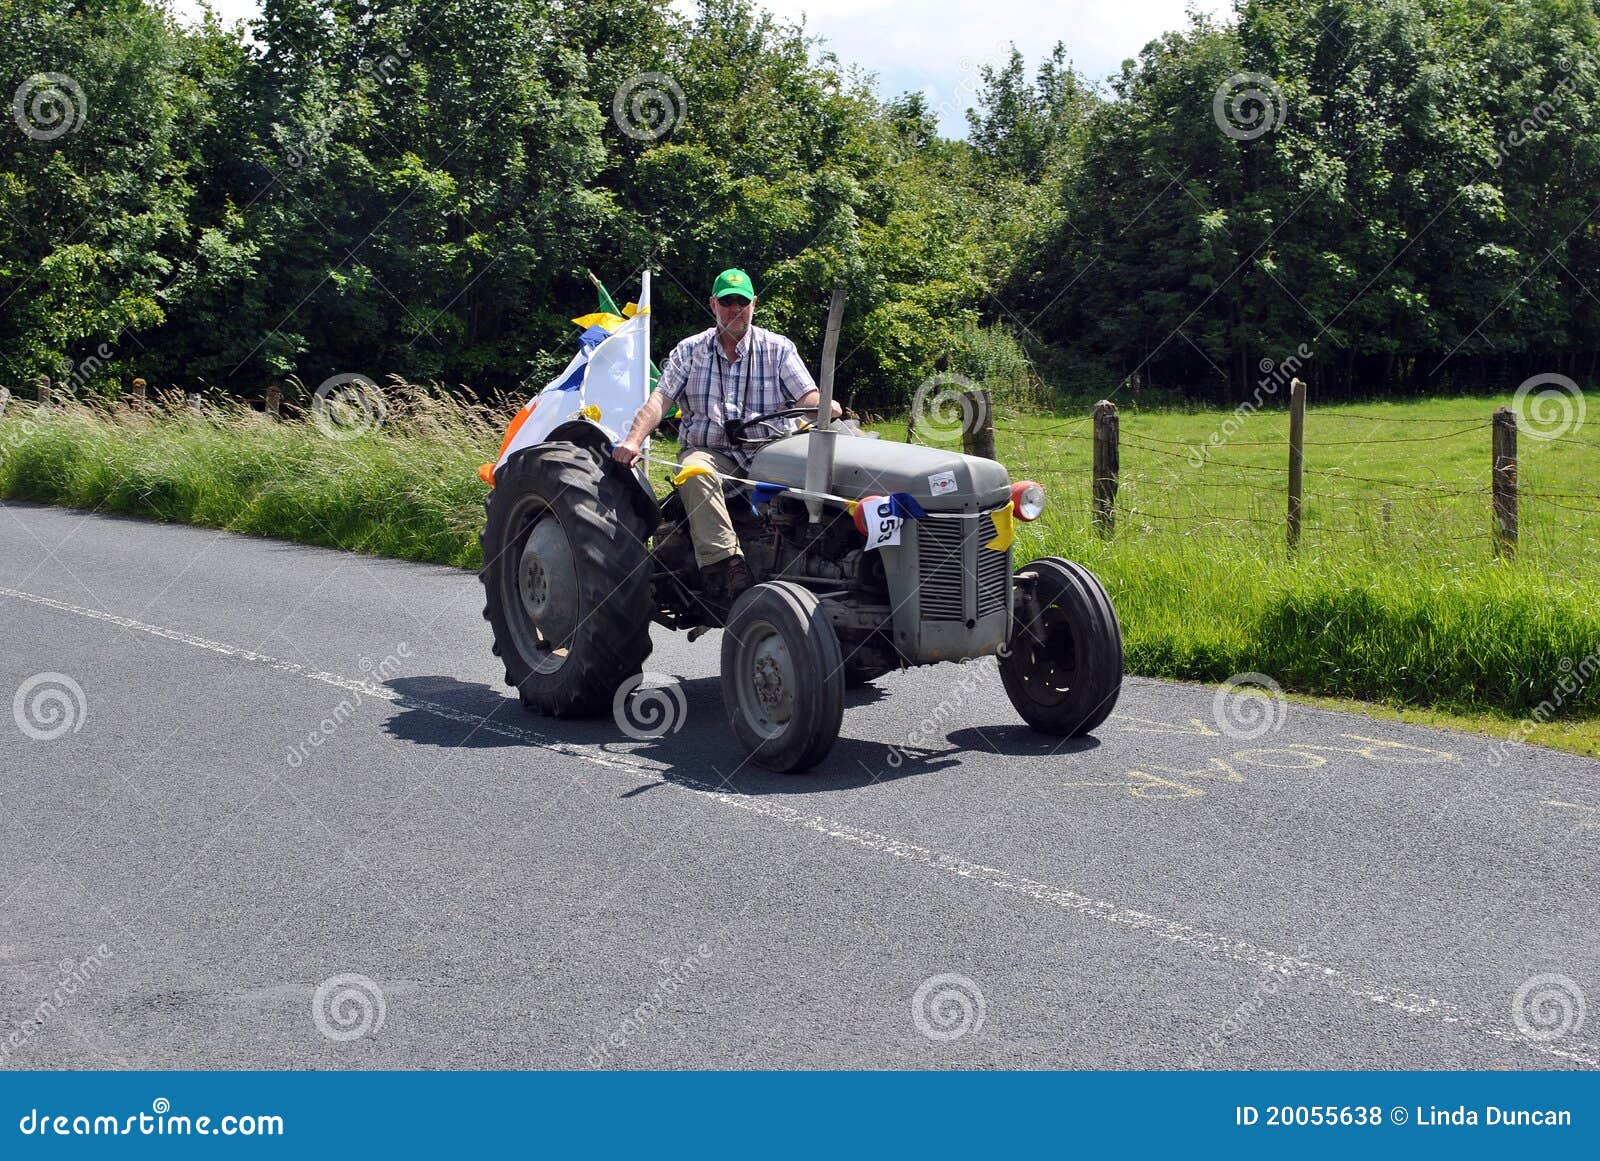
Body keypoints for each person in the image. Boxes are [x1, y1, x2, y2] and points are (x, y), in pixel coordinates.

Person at [612, 267, 840, 599]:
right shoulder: (690, 351)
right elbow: (660, 399)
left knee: (833, 470)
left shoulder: (778, 349)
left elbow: (806, 396)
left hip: (771, 454)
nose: (735, 308)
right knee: (695, 471)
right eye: (728, 301)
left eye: (742, 301)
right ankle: (728, 563)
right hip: (711, 453)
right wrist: (634, 439)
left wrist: (823, 405)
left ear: (754, 304)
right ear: (713, 304)